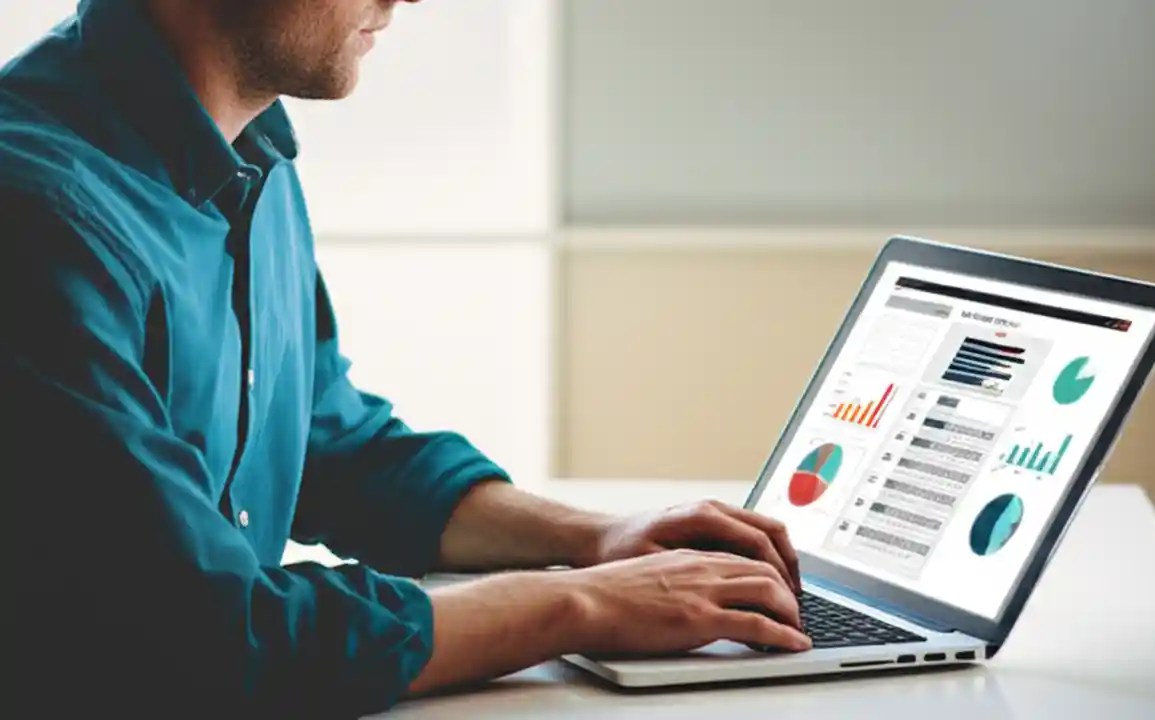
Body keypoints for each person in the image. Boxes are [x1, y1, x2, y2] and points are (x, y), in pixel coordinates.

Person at [0, 0, 811, 715]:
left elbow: (331, 446)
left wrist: (598, 538)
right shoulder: (37, 217)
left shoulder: (251, 158)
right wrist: (580, 604)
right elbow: (215, 634)